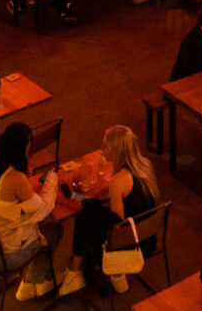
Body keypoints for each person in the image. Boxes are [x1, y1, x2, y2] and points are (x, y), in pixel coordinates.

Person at [56, 125, 160, 296]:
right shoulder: (145, 166)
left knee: (83, 218)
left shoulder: (119, 180)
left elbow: (116, 225)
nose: (102, 150)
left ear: (117, 151)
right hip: (148, 239)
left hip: (129, 247)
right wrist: (106, 199)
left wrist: (91, 204)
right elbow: (136, 201)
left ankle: (78, 275)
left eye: (105, 147)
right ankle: (112, 278)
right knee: (91, 212)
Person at [0, 123, 62, 300]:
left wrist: (24, 173)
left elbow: (4, 199)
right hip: (3, 259)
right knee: (53, 230)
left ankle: (31, 281)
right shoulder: (16, 179)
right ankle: (34, 283)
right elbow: (44, 208)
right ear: (24, 148)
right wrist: (52, 178)